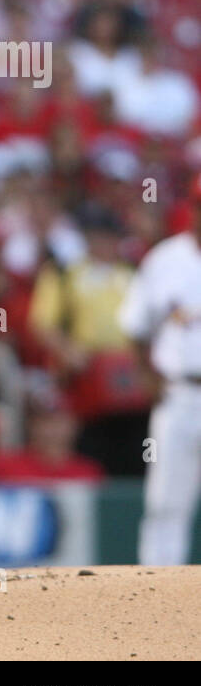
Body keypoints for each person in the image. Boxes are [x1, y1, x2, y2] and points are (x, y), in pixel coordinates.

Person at [118, 174, 201, 565]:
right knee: (166, 502)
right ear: (191, 209)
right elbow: (135, 327)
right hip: (180, 394)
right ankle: (156, 595)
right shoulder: (165, 259)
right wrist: (147, 377)